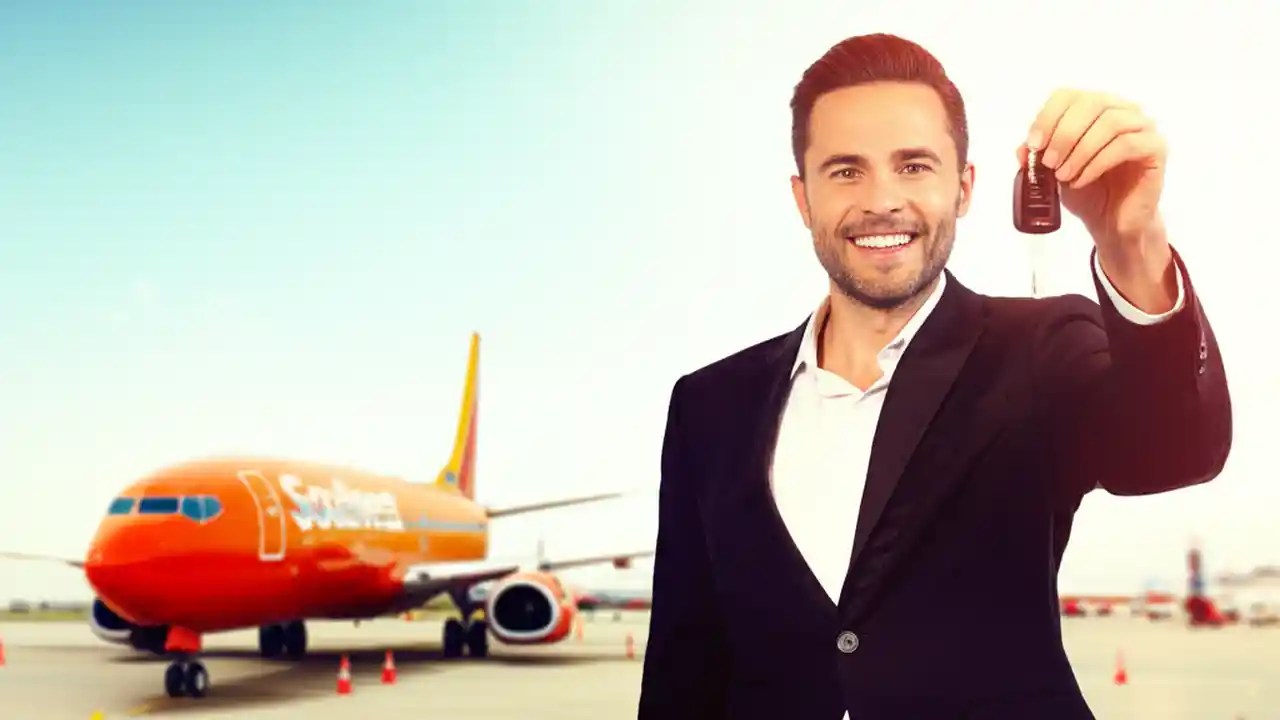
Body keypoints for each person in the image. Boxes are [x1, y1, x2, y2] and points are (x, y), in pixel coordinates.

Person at [636, 33, 1231, 719]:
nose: (883, 200)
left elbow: (1175, 449)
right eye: (846, 171)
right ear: (803, 200)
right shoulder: (709, 405)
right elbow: (686, 656)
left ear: (965, 187)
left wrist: (1132, 243)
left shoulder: (1039, 350)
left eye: (914, 166)